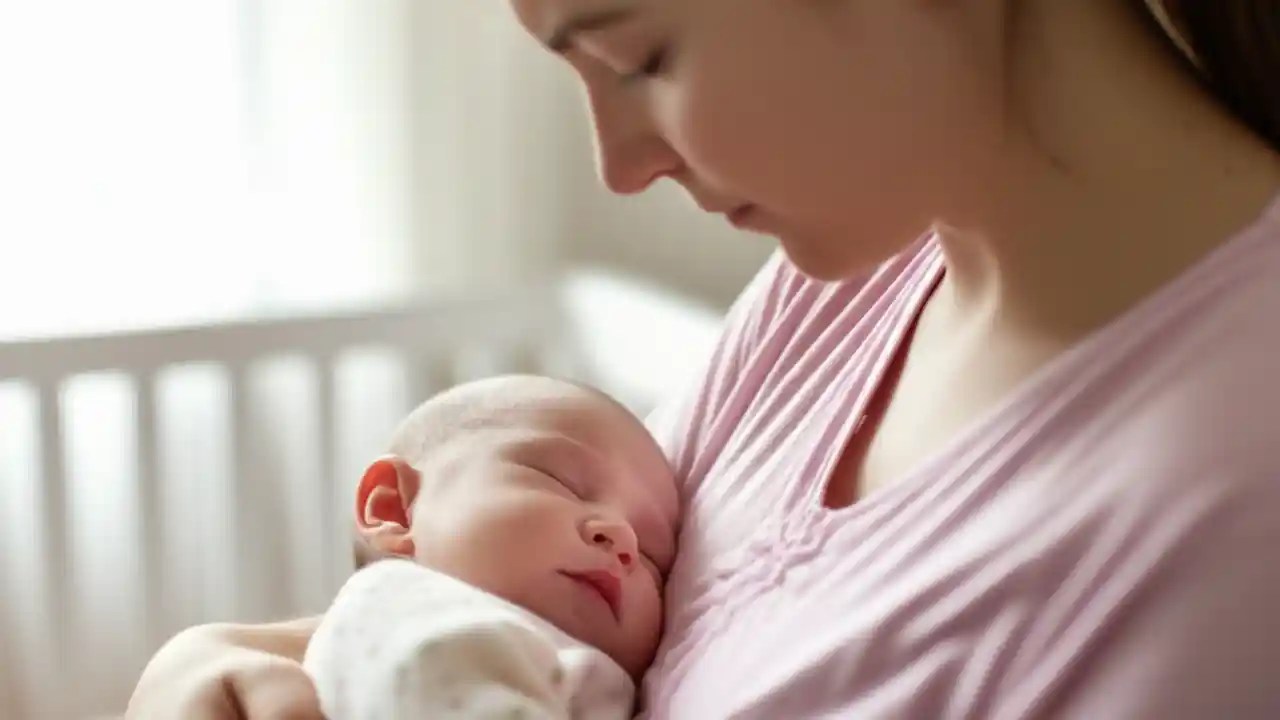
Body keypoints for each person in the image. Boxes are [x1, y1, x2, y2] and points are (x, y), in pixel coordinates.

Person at [126, 0, 1280, 717]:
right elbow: (503, 612)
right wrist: (218, 658)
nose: (620, 166)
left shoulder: (1227, 519)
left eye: (638, 57)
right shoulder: (846, 285)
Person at [303, 375, 675, 718]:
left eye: (653, 557)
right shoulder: (413, 614)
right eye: (562, 482)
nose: (623, 537)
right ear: (394, 508)